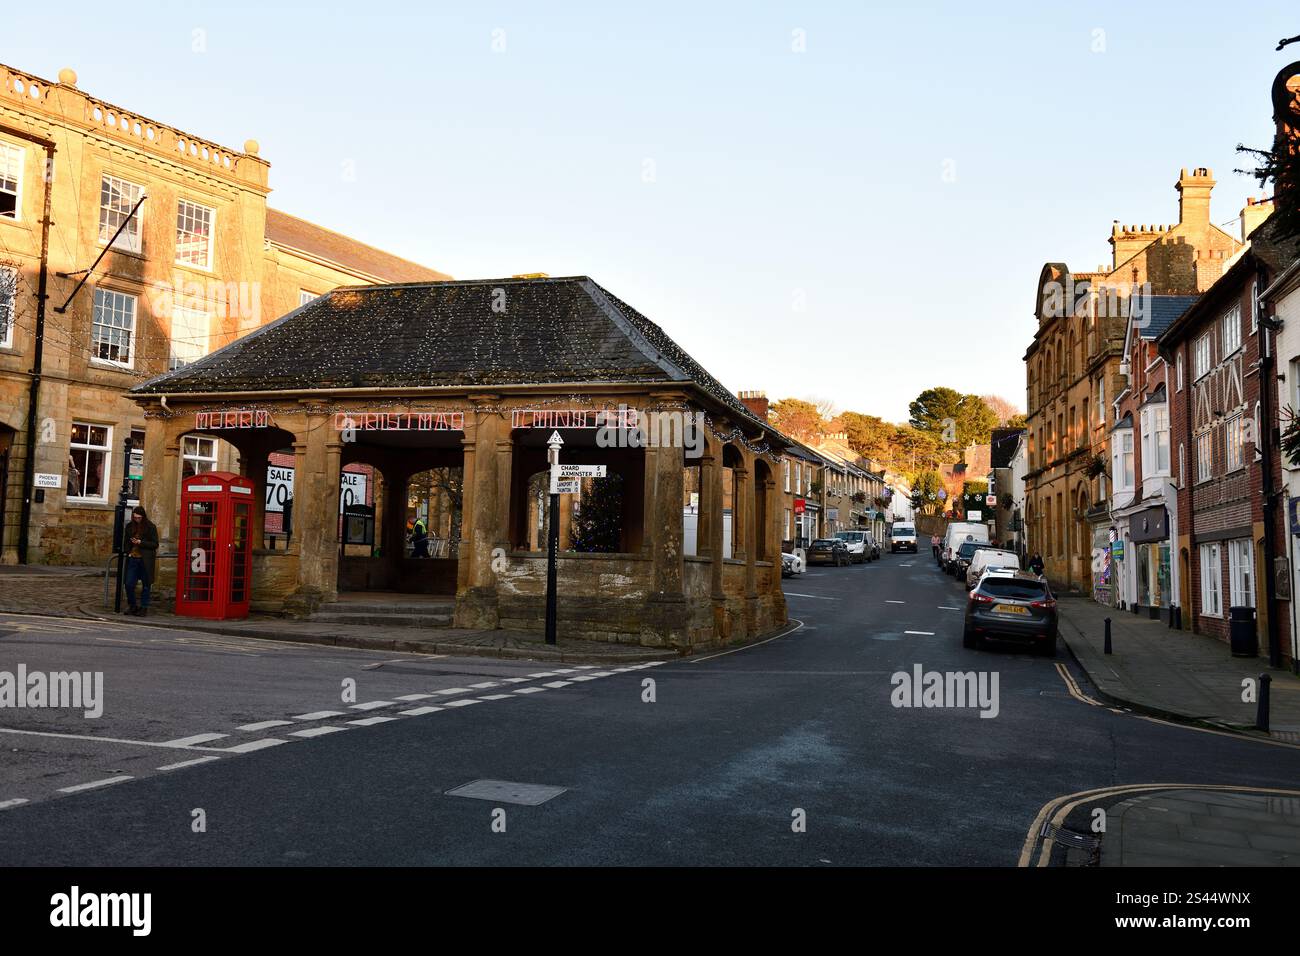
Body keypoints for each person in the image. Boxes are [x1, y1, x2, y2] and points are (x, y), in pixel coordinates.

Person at [123, 505, 159, 616]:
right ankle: (133, 605)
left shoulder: (150, 527)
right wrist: (128, 551)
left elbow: (155, 544)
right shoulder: (129, 527)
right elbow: (126, 542)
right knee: (129, 584)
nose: (137, 519)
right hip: (133, 559)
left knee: (146, 585)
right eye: (135, 517)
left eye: (139, 518)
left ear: (143, 517)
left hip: (145, 560)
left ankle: (144, 607)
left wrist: (140, 543)